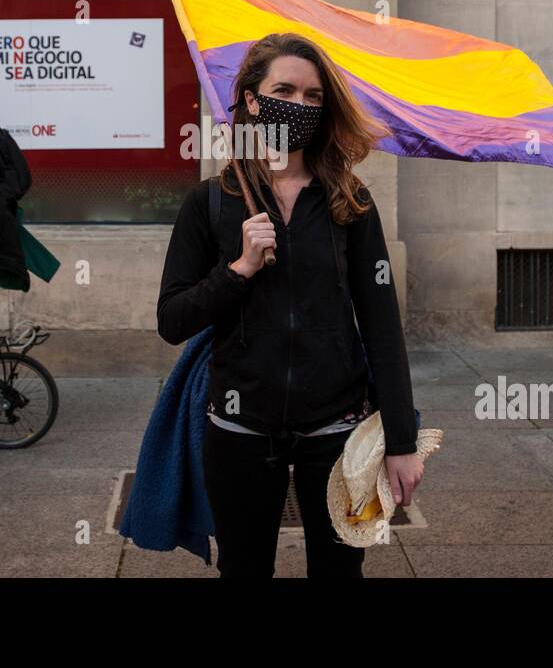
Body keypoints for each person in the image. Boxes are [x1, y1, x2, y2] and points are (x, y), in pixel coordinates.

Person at [156, 32, 424, 577]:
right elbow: (172, 319)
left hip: (336, 430)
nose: (299, 105)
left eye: (313, 97)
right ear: (253, 100)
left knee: (339, 573)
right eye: (284, 90)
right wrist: (238, 270)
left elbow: (382, 329)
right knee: (244, 569)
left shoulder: (351, 202)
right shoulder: (210, 202)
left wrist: (401, 441)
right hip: (238, 429)